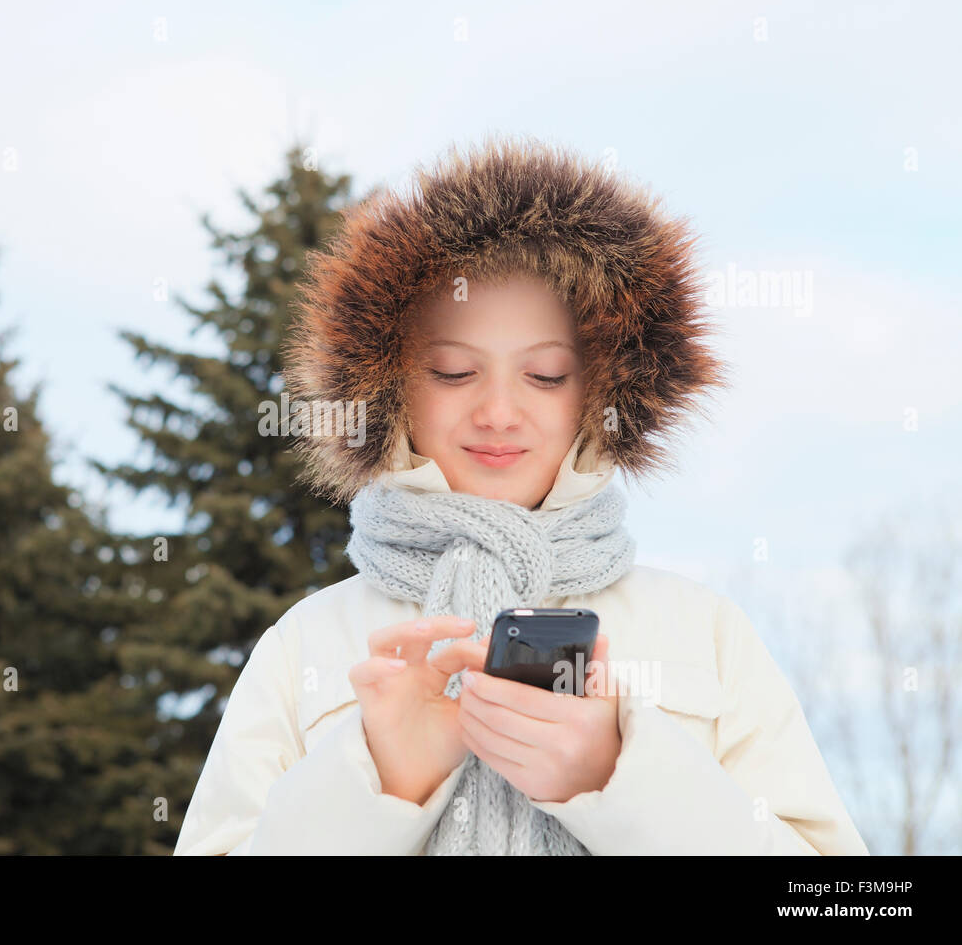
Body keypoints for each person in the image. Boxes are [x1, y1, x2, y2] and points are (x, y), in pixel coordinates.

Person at [172, 135, 869, 855]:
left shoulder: (708, 634)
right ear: (391, 392)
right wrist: (380, 780)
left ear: (601, 393)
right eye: (450, 372)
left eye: (544, 375)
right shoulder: (304, 644)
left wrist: (621, 777)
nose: (500, 412)